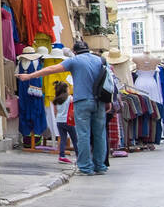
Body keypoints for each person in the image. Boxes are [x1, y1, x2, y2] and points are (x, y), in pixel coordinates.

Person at [19, 40, 107, 175]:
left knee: (83, 134)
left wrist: (30, 76)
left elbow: (51, 69)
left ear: (75, 52)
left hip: (82, 101)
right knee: (99, 134)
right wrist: (109, 100)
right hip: (100, 101)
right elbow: (108, 81)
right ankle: (100, 166)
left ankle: (85, 167)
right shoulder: (100, 60)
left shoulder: (74, 60)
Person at [52, 81, 75, 165]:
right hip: (68, 121)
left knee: (63, 139)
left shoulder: (56, 99)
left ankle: (62, 156)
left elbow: (55, 112)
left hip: (59, 121)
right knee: (75, 139)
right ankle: (79, 156)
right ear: (65, 89)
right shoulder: (70, 98)